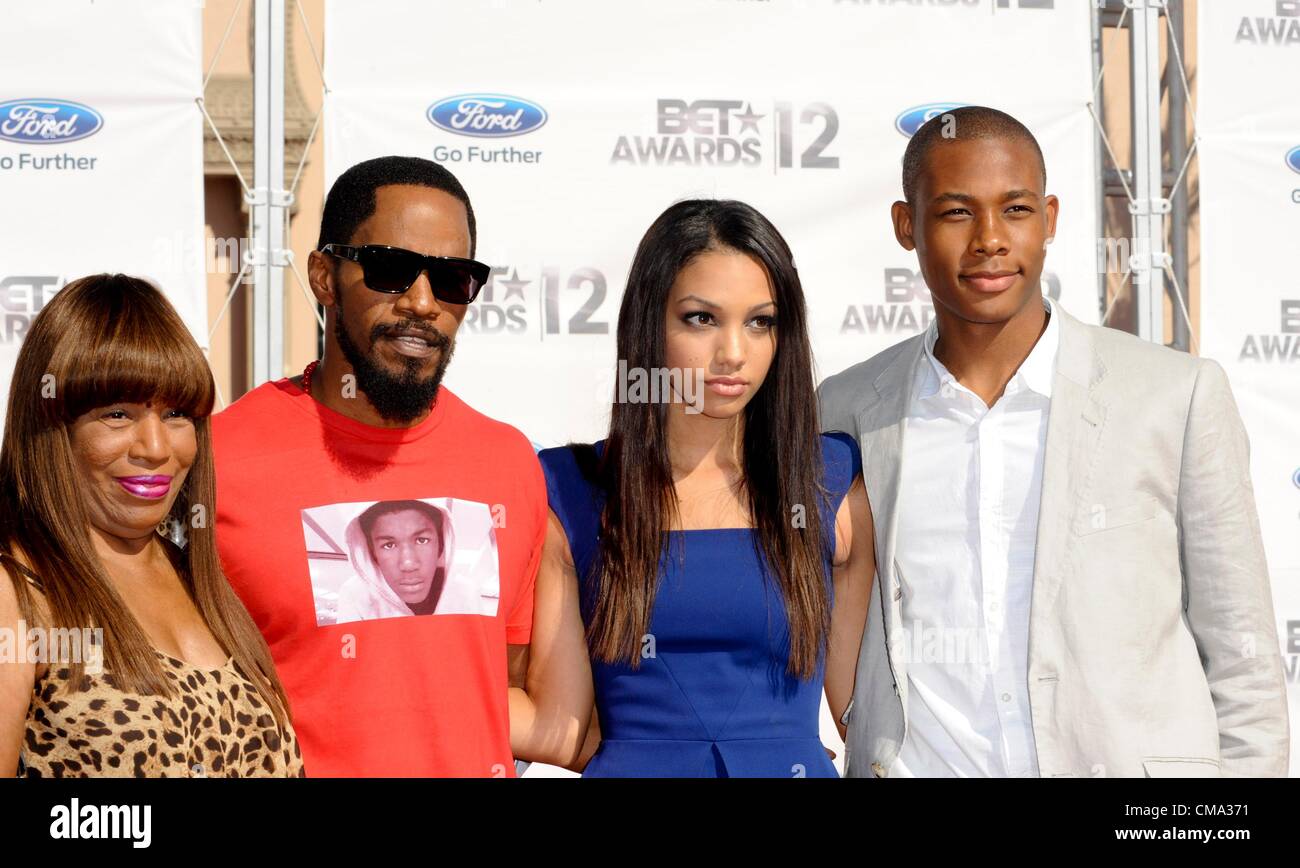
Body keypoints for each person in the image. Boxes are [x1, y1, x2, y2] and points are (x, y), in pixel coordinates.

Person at [817, 106, 1290, 778]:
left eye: (1014, 210)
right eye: (955, 212)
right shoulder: (848, 408)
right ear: (906, 226)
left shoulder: (1173, 397)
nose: (989, 240)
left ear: (1050, 219)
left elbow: (1244, 658)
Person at [511, 199, 875, 777]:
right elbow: (560, 726)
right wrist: (389, 675)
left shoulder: (830, 483)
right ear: (648, 322)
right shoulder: (571, 492)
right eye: (701, 318)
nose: (734, 353)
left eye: (761, 321)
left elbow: (871, 720)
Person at [212, 156, 547, 777]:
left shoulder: (506, 462)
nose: (423, 302)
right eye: (392, 270)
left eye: (452, 279)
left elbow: (504, 684)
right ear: (323, 275)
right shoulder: (220, 458)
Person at [0, 274, 303, 778]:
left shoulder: (201, 579)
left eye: (177, 414)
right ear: (53, 429)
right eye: (118, 414)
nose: (157, 448)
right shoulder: (16, 591)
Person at [334, 500, 454, 622]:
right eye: (389, 545)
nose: (408, 564)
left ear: (441, 545)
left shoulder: (465, 594)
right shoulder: (355, 595)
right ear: (372, 552)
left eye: (422, 540)